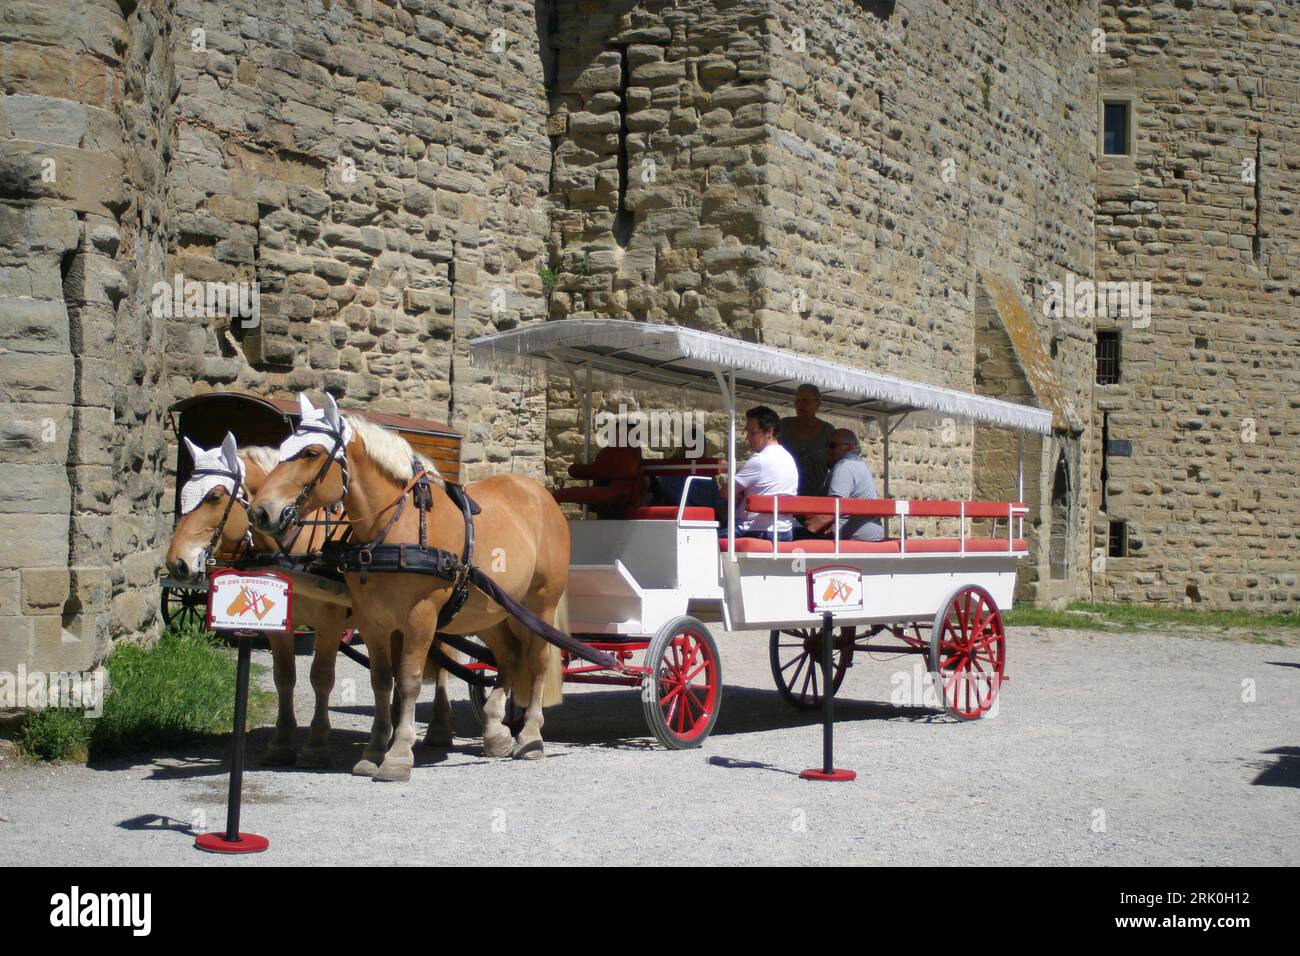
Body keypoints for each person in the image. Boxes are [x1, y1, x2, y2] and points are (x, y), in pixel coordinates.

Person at [798, 429, 885, 542]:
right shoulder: (858, 464)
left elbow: (832, 511)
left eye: (832, 446)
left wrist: (807, 533)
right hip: (868, 536)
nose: (827, 450)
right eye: (827, 445)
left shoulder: (844, 467)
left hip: (855, 540)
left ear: (848, 448)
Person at [730, 405, 799, 541]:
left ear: (769, 432)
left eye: (753, 432)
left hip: (756, 531)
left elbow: (727, 492)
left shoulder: (760, 460)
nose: (748, 438)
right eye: (747, 432)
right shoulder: (789, 458)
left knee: (703, 540)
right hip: (784, 532)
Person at [779, 384, 836, 496]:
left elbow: (835, 466)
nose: (800, 405)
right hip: (786, 495)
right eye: (797, 401)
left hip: (816, 499)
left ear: (818, 404)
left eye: (805, 401)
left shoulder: (828, 431)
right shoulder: (783, 426)